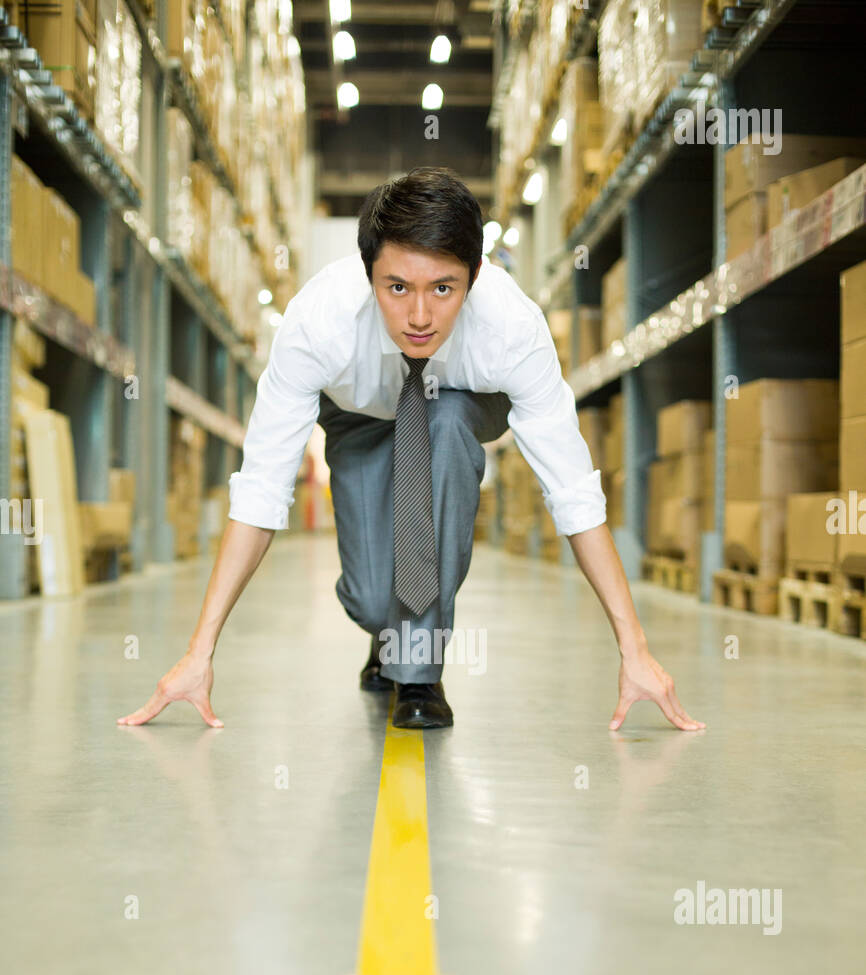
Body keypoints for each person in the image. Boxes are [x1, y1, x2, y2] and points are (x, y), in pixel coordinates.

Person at [118, 167, 704, 734]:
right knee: (376, 603)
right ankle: (388, 633)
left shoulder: (512, 330)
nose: (419, 317)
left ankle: (419, 675)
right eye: (396, 288)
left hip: (462, 404)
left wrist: (635, 650)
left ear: (474, 275)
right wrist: (200, 652)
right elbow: (262, 489)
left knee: (446, 423)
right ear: (368, 271)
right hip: (360, 415)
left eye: (443, 289)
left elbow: (573, 490)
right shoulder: (318, 324)